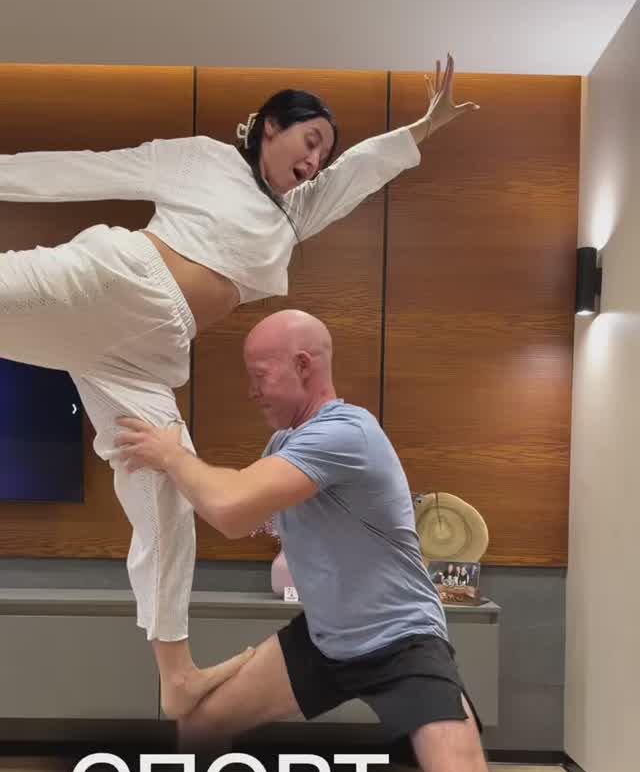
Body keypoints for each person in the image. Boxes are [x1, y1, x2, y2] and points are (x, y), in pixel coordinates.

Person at [115, 308, 610, 772]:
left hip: (402, 641)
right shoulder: (286, 445)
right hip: (327, 637)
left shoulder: (347, 433)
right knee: (201, 727)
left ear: (305, 366)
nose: (251, 390)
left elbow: (229, 508)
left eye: (259, 375)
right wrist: (179, 473)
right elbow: (245, 507)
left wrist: (171, 452)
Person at [0, 55, 477, 719]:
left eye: (322, 153)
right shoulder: (202, 160)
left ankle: (177, 677)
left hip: (146, 353)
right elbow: (83, 169)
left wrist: (423, 127)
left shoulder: (296, 212)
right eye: (309, 141)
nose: (315, 161)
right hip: (117, 281)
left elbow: (360, 171)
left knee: (165, 498)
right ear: (270, 127)